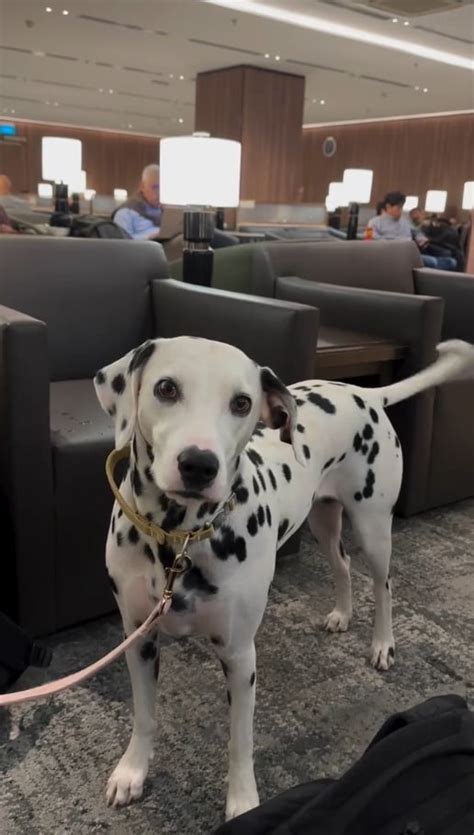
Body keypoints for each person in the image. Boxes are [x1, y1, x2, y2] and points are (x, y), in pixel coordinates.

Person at [367, 192, 456, 270]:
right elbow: (369, 239)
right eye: (398, 208)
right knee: (432, 262)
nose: (401, 211)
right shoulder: (374, 222)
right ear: (388, 207)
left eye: (402, 208)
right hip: (391, 255)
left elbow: (417, 232)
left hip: (409, 254)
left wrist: (421, 238)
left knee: (451, 262)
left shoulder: (405, 221)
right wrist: (394, 242)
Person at [113, 164, 163, 240]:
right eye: (155, 187)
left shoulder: (166, 212)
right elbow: (121, 242)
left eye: (163, 188)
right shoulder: (125, 212)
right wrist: (150, 237)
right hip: (145, 250)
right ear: (142, 186)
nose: (160, 193)